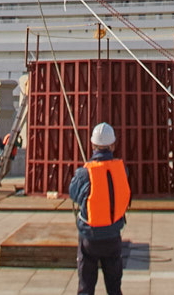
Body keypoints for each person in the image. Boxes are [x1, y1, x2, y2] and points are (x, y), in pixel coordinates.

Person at [68, 122, 129, 295]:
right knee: (114, 287)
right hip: (113, 236)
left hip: (90, 236)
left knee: (86, 286)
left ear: (93, 145)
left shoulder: (84, 173)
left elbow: (73, 194)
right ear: (113, 145)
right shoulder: (122, 169)